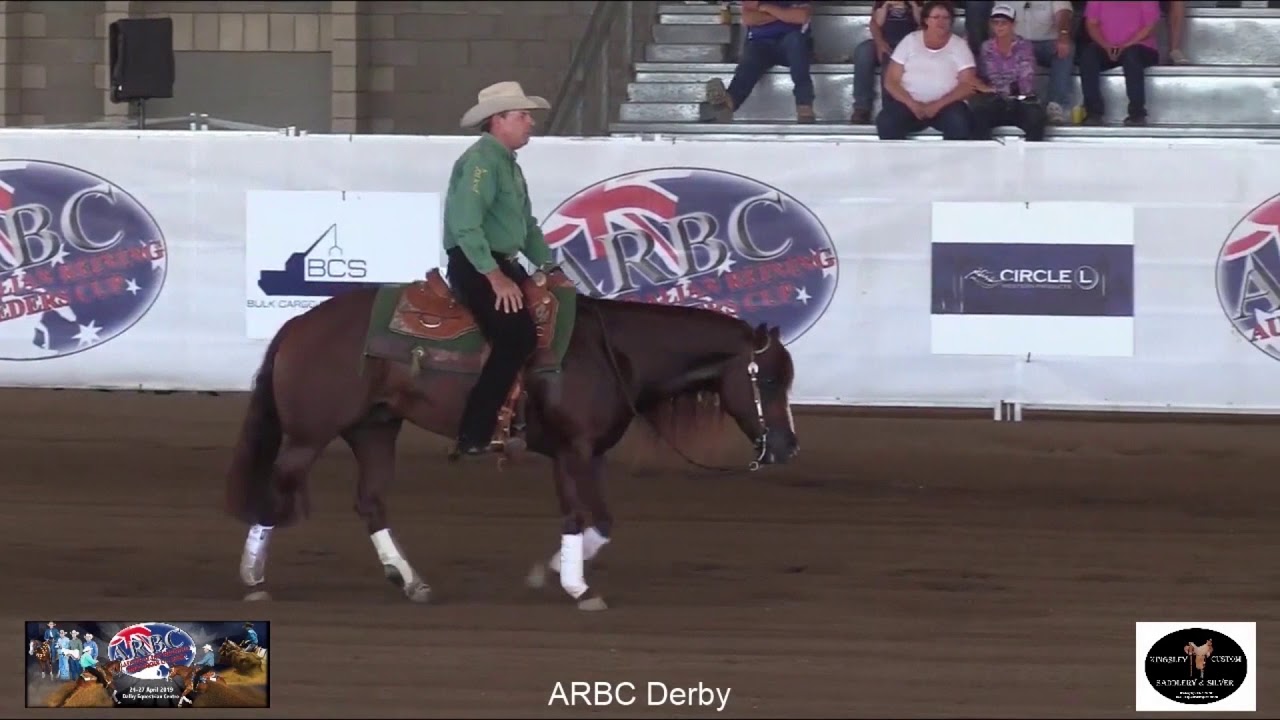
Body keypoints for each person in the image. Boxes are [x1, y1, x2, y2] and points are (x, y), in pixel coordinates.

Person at [444, 81, 558, 458]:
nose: (531, 123)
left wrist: (549, 265)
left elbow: (526, 226)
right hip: (477, 263)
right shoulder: (481, 163)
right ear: (498, 121)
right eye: (523, 115)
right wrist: (494, 277)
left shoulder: (507, 164)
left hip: (499, 261)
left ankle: (528, 417)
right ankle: (474, 431)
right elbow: (465, 225)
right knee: (517, 337)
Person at [876, 0, 977, 140]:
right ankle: (898, 161)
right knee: (886, 121)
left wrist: (936, 106)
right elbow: (891, 81)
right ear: (926, 20)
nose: (941, 21)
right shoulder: (910, 41)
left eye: (946, 18)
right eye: (936, 17)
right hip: (909, 105)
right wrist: (912, 104)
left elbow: (967, 85)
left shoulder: (959, 46)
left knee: (960, 122)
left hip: (946, 106)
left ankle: (953, 161)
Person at [971, 4, 1049, 141]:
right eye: (996, 23)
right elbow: (987, 75)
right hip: (996, 102)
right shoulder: (986, 47)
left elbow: (1025, 85)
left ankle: (1031, 159)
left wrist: (993, 89)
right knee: (977, 115)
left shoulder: (1025, 46)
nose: (999, 26)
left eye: (1004, 23)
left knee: (1037, 118)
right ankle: (983, 158)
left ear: (1013, 25)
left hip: (1021, 102)